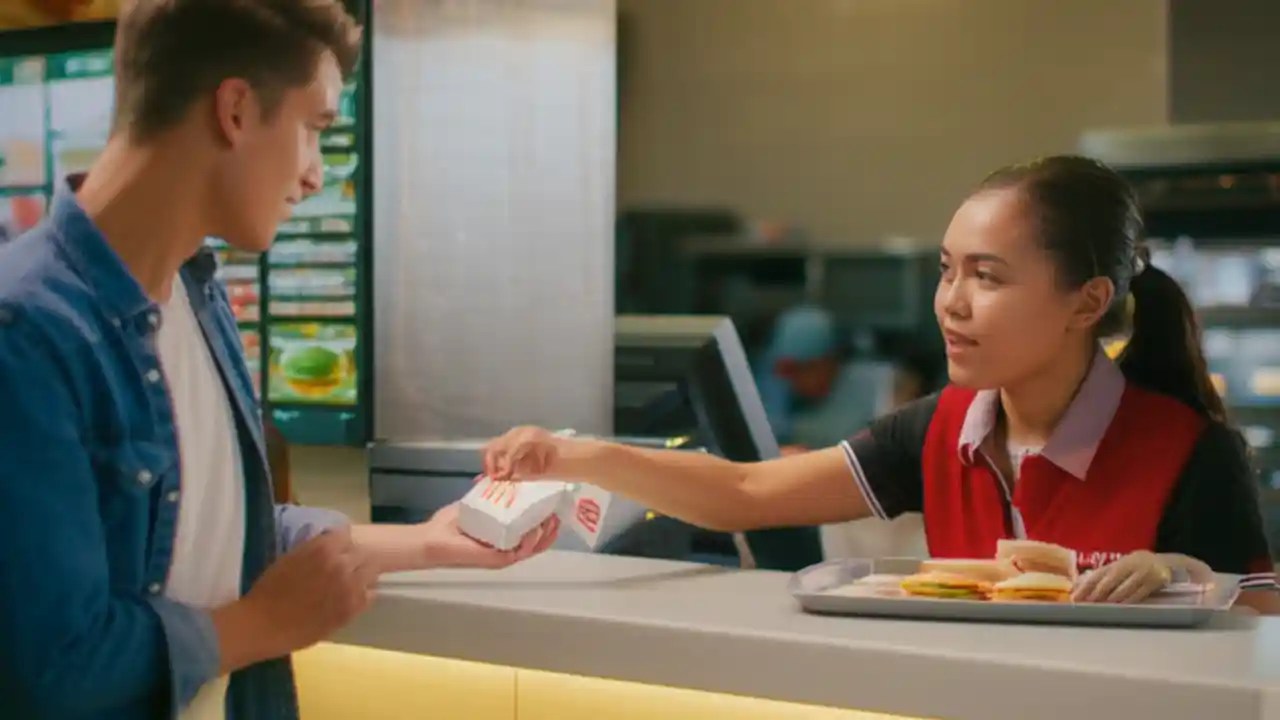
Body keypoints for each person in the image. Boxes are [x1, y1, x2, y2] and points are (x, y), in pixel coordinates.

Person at [0, 2, 558, 718]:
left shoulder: (198, 297)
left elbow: (225, 533)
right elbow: (52, 670)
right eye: (315, 130)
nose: (315, 176)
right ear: (235, 110)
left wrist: (428, 542)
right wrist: (263, 625)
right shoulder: (26, 333)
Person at [485, 155, 1280, 613]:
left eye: (989, 277)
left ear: (1088, 303)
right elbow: (747, 493)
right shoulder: (940, 429)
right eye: (947, 272)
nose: (952, 304)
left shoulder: (1190, 451)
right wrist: (575, 456)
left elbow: (1263, 625)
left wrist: (1187, 579)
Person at [754, 305, 894, 454]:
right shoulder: (776, 392)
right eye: (788, 372)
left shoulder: (878, 385)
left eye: (801, 369)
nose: (792, 381)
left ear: (829, 362)